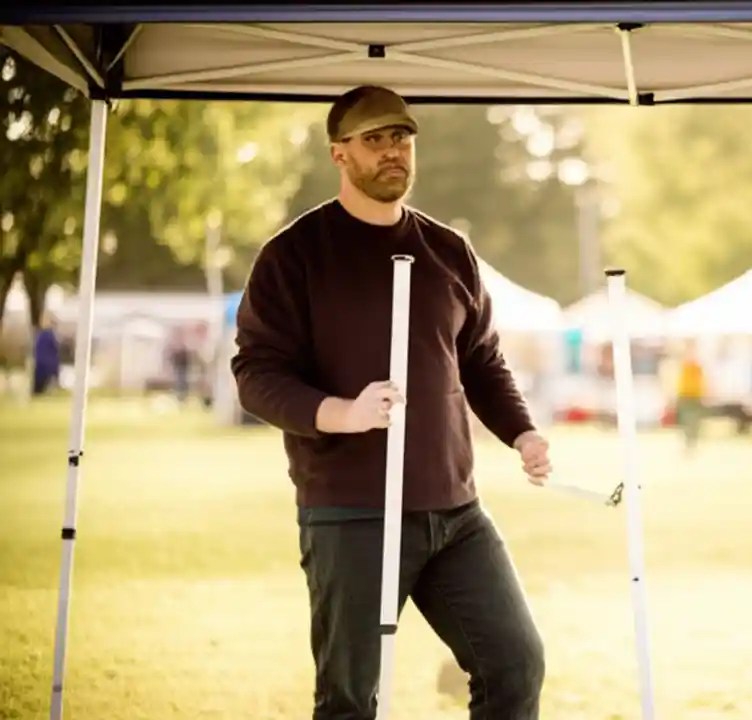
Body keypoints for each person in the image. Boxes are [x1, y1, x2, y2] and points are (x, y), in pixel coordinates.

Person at [230, 85, 550, 720]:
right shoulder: (295, 255)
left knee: (514, 664)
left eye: (401, 137)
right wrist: (342, 413)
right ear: (339, 153)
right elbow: (257, 374)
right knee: (350, 700)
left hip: (454, 512)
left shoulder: (448, 251)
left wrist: (522, 432)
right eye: (373, 139)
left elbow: (480, 360)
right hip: (351, 512)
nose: (392, 152)